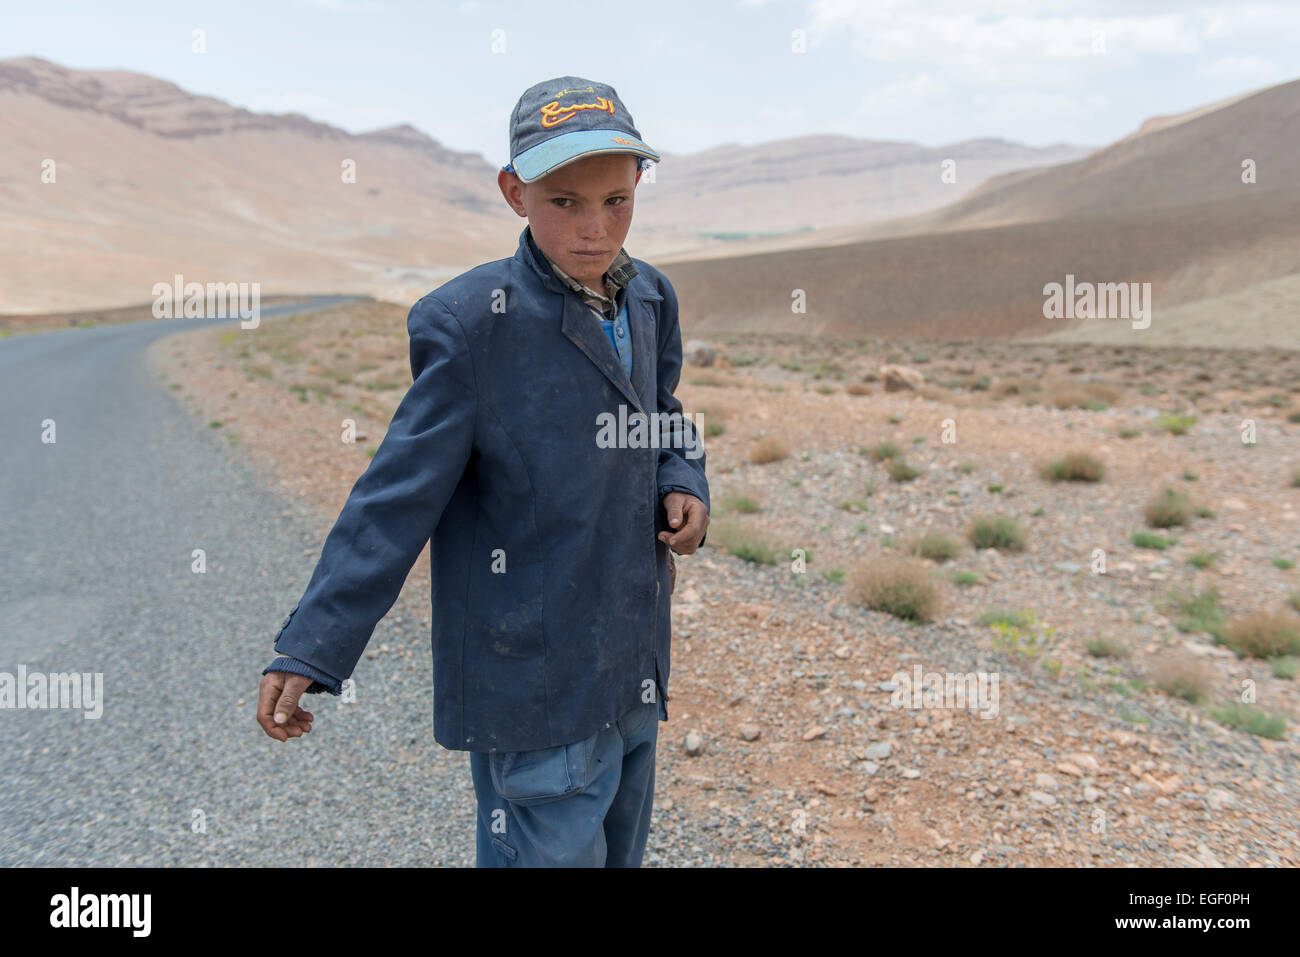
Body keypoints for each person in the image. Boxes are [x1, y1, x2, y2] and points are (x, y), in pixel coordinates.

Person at [255, 76, 710, 867]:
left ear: (639, 185)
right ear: (514, 192)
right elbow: (394, 499)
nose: (595, 229)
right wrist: (312, 645)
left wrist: (684, 475)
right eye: (563, 202)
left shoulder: (649, 298)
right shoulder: (471, 325)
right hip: (535, 681)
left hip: (633, 665)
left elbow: (664, 408)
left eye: (615, 200)